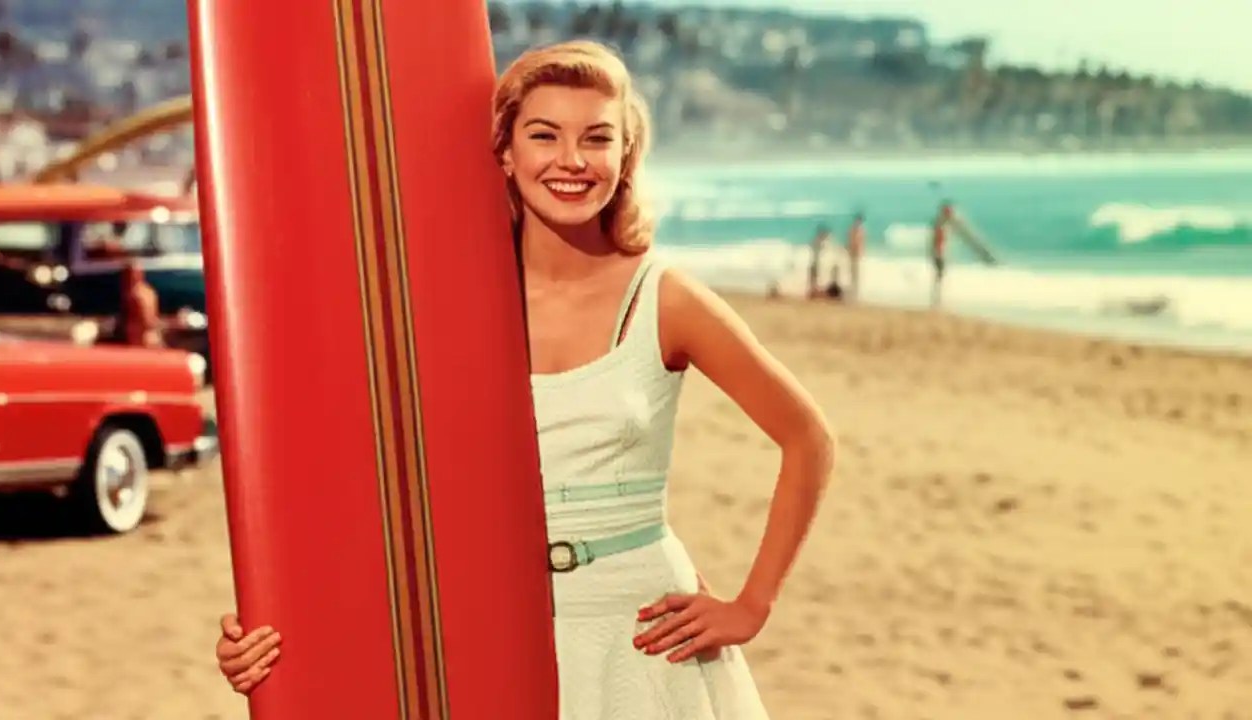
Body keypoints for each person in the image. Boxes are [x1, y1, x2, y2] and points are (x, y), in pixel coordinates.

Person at [213, 40, 834, 719]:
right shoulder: (449, 307)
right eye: (545, 135)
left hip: (647, 640)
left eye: (597, 138)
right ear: (505, 152)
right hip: (490, 630)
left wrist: (751, 605)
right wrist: (279, 625)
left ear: (625, 155)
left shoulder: (665, 298)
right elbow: (361, 485)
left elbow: (807, 437)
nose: (572, 161)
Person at [930, 201, 954, 308]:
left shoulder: (942, 223)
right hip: (939, 253)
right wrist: (938, 253)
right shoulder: (941, 224)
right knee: (939, 275)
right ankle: (937, 299)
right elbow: (938, 240)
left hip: (939, 252)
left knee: (939, 276)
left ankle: (937, 298)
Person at [846, 212, 865, 300]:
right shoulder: (856, 229)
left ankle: (855, 293)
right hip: (854, 254)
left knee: (855, 274)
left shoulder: (857, 229)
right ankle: (854, 293)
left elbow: (860, 243)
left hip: (855, 254)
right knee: (854, 274)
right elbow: (854, 242)